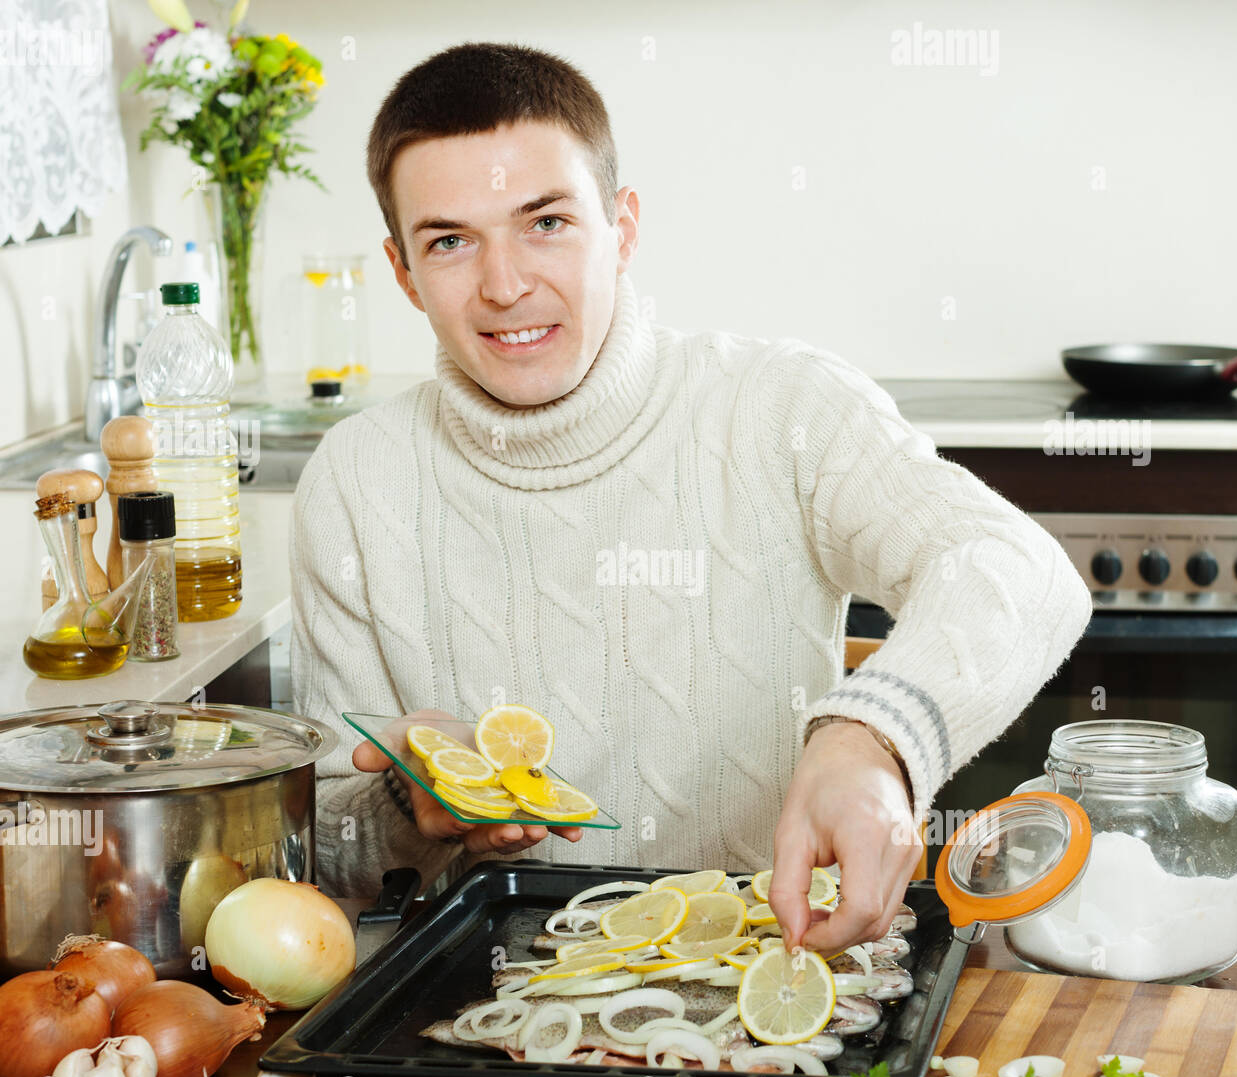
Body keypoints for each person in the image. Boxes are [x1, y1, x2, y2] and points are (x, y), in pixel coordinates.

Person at [290, 40, 1092, 953]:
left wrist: (871, 742)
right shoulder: (355, 479)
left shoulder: (781, 408)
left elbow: (1022, 572)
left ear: (623, 229)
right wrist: (408, 803)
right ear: (402, 273)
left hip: (779, 971)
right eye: (449, 241)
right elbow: (320, 846)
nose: (505, 285)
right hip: (492, 1005)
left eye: (546, 222)